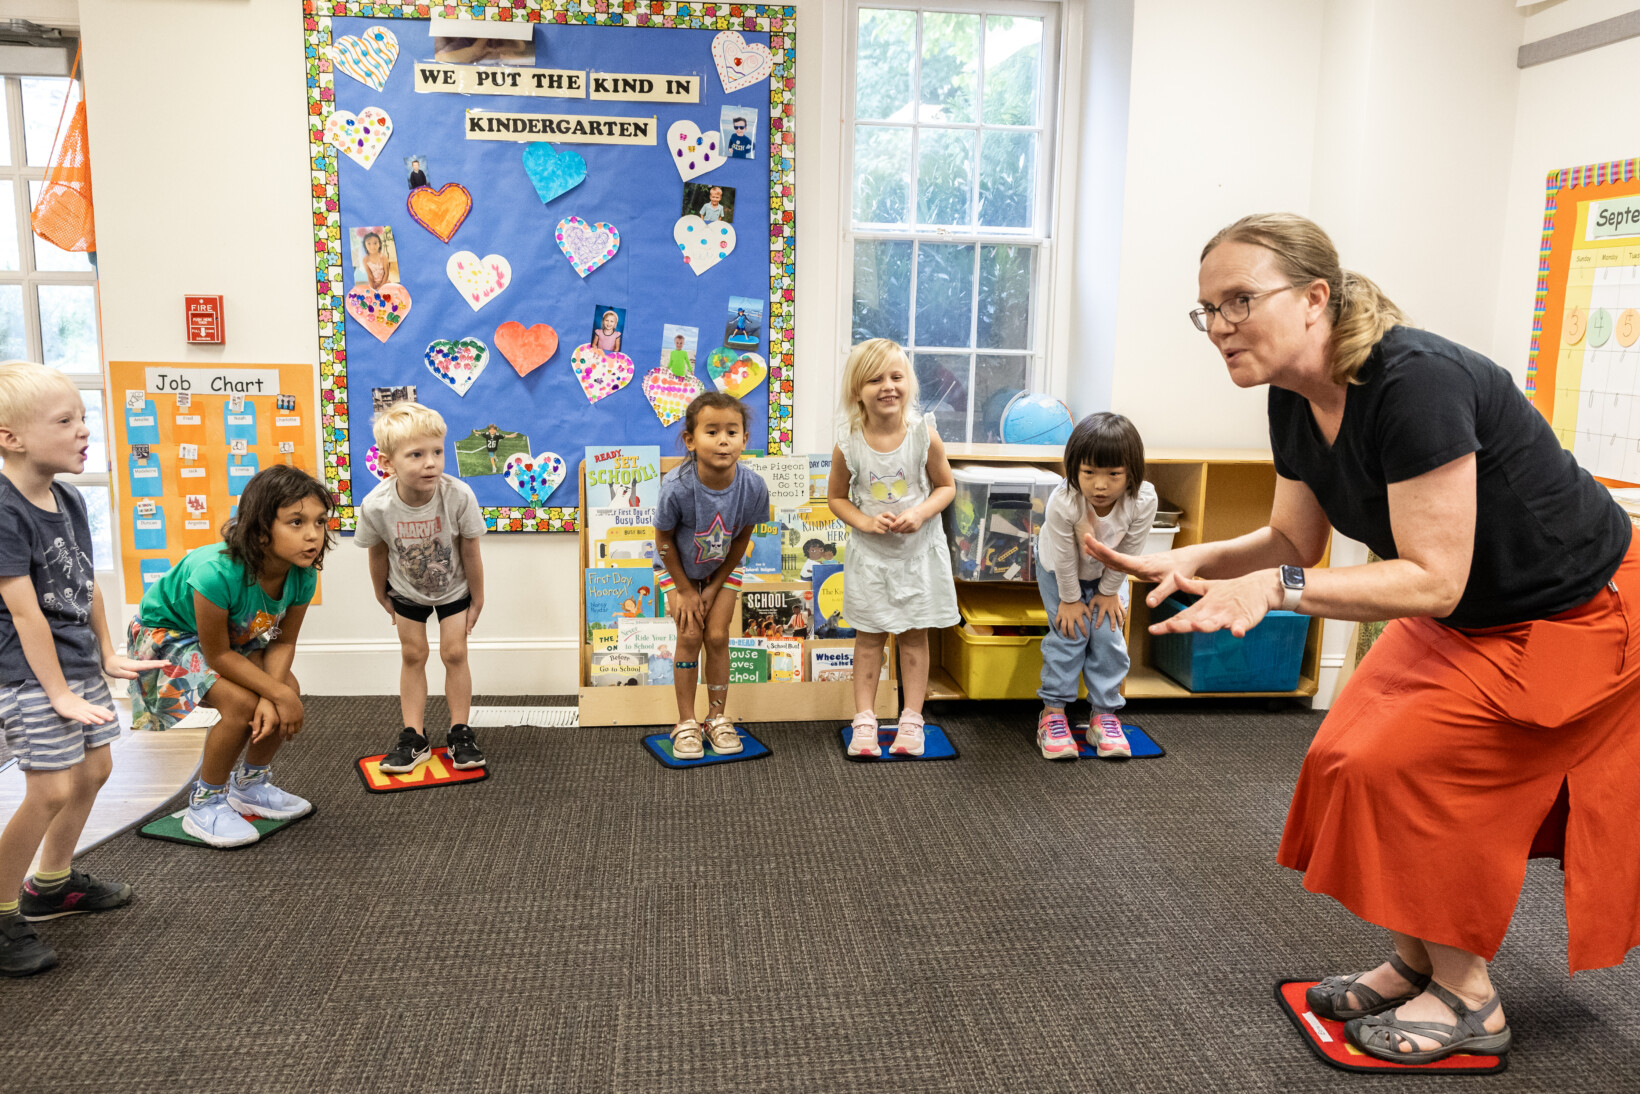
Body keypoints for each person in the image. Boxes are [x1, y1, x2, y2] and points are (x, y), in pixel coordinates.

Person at [1089, 212, 1639, 1064]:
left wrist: (1273, 589)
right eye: (1207, 309)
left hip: (1575, 611)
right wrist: (1197, 556)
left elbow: (1430, 576)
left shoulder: (1415, 382)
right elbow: (1292, 543)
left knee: (1406, 765)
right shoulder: (1293, 395)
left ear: (1315, 298)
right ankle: (1418, 960)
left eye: (1240, 300)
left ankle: (1469, 999)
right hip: (1466, 614)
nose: (1221, 326)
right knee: (1349, 754)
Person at [0, 363, 166, 976]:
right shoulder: (5, 510)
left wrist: (105, 651)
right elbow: (24, 614)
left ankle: (52, 883)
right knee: (50, 788)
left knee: (95, 768)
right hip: (27, 673)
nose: (82, 431)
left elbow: (85, 581)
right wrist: (59, 694)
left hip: (73, 663)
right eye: (65, 421)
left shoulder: (67, 497)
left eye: (82, 418)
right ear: (10, 437)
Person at [128, 465, 333, 849]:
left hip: (229, 642)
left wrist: (279, 693)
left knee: (288, 685)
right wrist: (279, 697)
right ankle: (204, 802)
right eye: (296, 522)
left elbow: (282, 643)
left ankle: (250, 786)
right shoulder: (214, 573)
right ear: (259, 530)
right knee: (241, 705)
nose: (313, 535)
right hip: (166, 635)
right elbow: (218, 655)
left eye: (320, 522)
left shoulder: (302, 574)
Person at [827, 338, 959, 757]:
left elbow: (946, 487)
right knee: (868, 639)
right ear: (857, 391)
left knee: (913, 636)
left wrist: (920, 513)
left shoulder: (925, 436)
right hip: (871, 559)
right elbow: (837, 498)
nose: (888, 386)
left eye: (896, 377)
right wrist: (865, 521)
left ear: (909, 384)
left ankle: (912, 719)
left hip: (917, 557)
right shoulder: (848, 444)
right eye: (875, 379)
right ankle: (864, 719)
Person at [355, 402, 488, 776]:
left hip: (454, 589)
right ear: (388, 462)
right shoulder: (377, 505)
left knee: (454, 653)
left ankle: (460, 731)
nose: (430, 462)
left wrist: (478, 598)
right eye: (416, 454)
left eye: (437, 452)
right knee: (413, 654)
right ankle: (414, 736)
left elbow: (471, 549)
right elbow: (377, 551)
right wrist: (381, 593)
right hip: (406, 591)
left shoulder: (458, 496)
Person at [1033, 413, 1157, 760]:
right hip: (1060, 570)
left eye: (1113, 474)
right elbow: (1064, 556)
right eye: (1089, 473)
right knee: (1069, 634)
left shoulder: (1144, 499)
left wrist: (1107, 592)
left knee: (1108, 635)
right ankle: (1053, 714)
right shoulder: (1064, 501)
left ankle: (1104, 715)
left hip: (1110, 572)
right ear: (1074, 470)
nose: (1100, 485)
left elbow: (1130, 551)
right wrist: (1071, 600)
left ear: (1131, 471)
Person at [654, 392, 769, 760]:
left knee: (717, 635)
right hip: (677, 568)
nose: (723, 440)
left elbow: (743, 539)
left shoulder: (753, 487)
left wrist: (715, 585)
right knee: (690, 634)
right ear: (690, 440)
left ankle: (716, 718)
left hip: (723, 568)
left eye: (732, 432)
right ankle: (685, 722)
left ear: (744, 440)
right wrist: (686, 592)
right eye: (712, 431)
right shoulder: (677, 487)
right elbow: (663, 541)